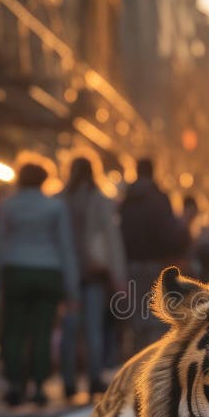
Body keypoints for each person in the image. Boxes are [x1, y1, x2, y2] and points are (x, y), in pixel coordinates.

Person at [0, 159, 78, 406]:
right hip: (48, 271)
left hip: (15, 269)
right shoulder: (55, 207)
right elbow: (65, 247)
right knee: (43, 330)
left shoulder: (7, 206)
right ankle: (39, 385)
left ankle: (15, 383)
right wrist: (72, 288)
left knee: (14, 329)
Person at [60, 156, 127, 401]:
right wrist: (118, 275)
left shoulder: (60, 199)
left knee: (69, 327)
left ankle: (68, 381)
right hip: (94, 272)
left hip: (67, 271)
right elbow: (112, 239)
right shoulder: (101, 200)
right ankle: (93, 378)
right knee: (93, 329)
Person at [118, 157, 187, 354]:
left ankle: (134, 357)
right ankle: (151, 361)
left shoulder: (126, 199)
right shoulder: (159, 198)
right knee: (155, 314)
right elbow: (168, 232)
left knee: (134, 313)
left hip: (130, 263)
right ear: (153, 171)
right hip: (155, 263)